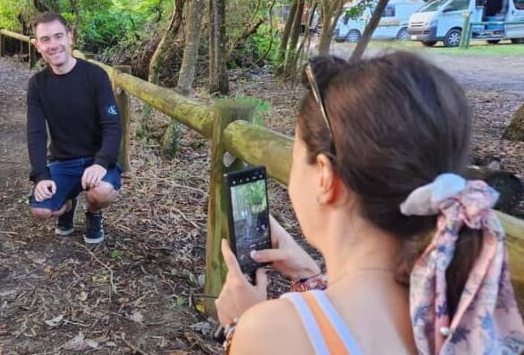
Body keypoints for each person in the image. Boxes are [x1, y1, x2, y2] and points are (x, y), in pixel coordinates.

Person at [214, 52, 524, 354]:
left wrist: (236, 329)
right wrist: (311, 278)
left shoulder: (272, 333)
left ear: (324, 176)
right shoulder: (456, 314)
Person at [26, 12, 122, 244]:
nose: (53, 45)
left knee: (100, 192)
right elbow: (36, 134)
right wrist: (41, 176)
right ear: (37, 45)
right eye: (45, 39)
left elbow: (112, 125)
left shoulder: (95, 75)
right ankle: (68, 204)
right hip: (63, 162)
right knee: (40, 211)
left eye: (58, 36)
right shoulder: (38, 84)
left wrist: (101, 163)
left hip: (97, 159)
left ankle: (93, 212)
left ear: (70, 37)